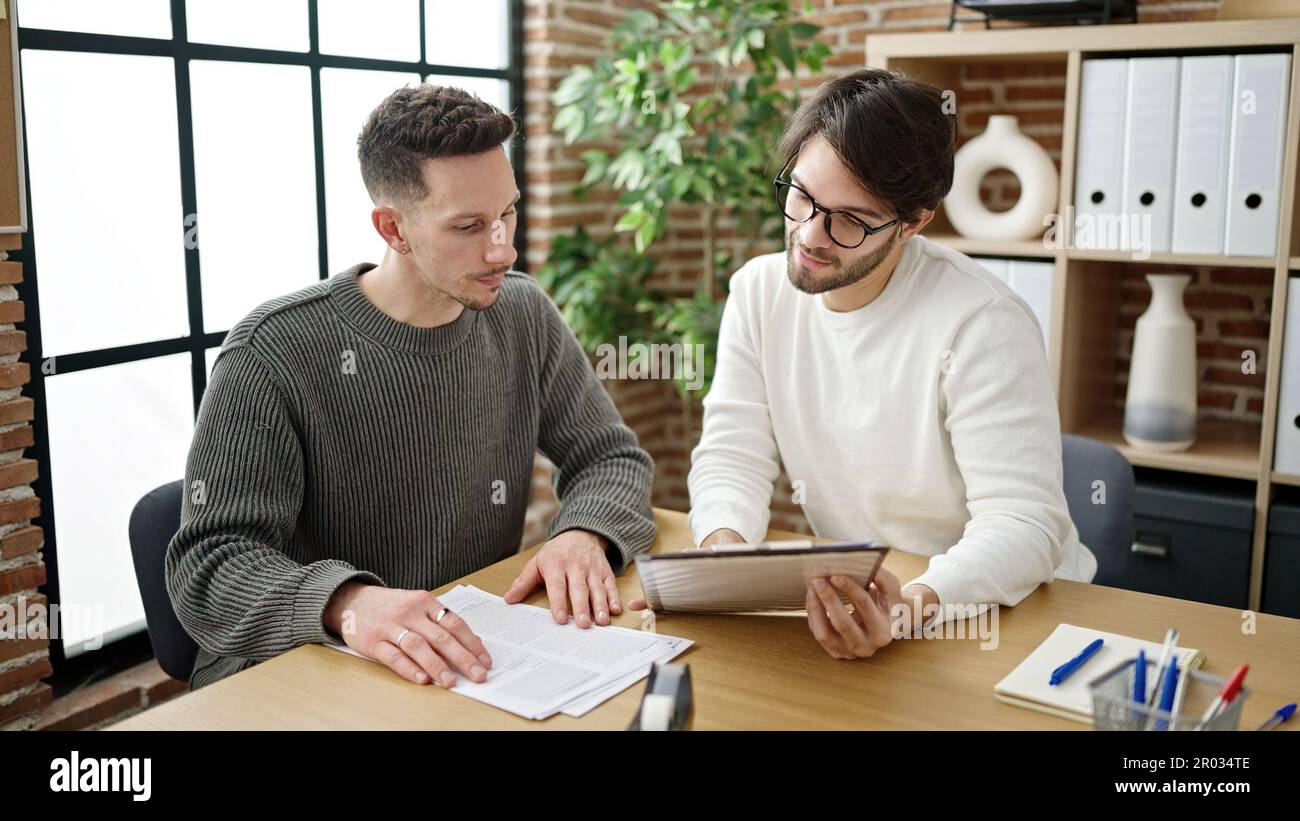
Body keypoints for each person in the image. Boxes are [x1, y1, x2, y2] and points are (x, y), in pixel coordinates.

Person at [167, 85, 656, 690]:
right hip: (301, 673)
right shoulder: (273, 349)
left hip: (463, 664)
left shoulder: (522, 313)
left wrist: (586, 534)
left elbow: (608, 456)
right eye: (469, 225)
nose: (503, 247)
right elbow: (209, 567)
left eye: (508, 212)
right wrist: (347, 603)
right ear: (393, 228)